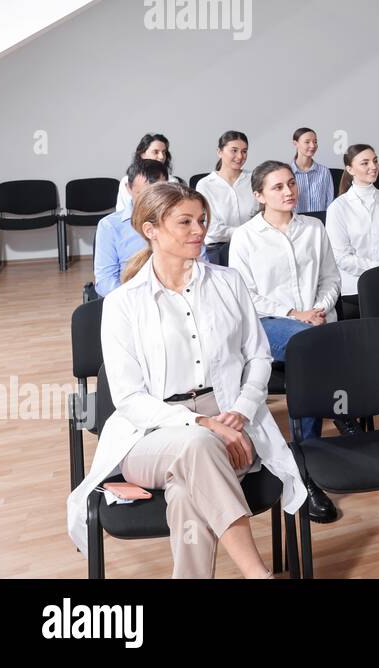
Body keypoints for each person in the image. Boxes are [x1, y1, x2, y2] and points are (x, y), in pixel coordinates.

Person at [66, 182, 307, 578]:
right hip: (149, 435)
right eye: (185, 222)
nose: (200, 230)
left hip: (229, 420)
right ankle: (257, 574)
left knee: (187, 491)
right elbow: (128, 397)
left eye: (202, 220)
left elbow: (259, 357)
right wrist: (202, 424)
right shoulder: (122, 304)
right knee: (197, 443)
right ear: (151, 229)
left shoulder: (229, 283)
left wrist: (242, 412)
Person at [227, 160, 343, 522]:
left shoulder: (314, 228)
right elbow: (245, 295)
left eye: (291, 184)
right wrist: (296, 314)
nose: (289, 191)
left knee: (319, 344)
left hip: (316, 320)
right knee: (308, 348)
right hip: (269, 323)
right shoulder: (245, 237)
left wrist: (318, 308)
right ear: (259, 195)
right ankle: (306, 467)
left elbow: (331, 278)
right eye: (277, 187)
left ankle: (320, 438)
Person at [325, 144, 379, 313]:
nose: (373, 167)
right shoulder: (338, 208)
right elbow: (341, 258)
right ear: (350, 169)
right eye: (365, 163)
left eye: (375, 161)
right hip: (355, 288)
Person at [94, 159, 169, 297]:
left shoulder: (180, 220)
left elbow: (198, 265)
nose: (151, 201)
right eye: (143, 193)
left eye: (158, 193)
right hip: (130, 299)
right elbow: (105, 281)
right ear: (129, 188)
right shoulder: (110, 226)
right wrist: (133, 301)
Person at [197, 131, 252, 264]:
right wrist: (250, 232)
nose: (240, 156)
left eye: (244, 151)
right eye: (234, 150)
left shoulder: (254, 179)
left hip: (251, 247)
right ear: (219, 152)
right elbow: (212, 229)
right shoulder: (205, 185)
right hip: (218, 251)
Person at [115, 133, 176, 212]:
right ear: (142, 154)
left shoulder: (172, 181)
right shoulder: (127, 180)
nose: (161, 157)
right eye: (155, 152)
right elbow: (122, 211)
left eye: (164, 152)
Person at [291, 127, 334, 215]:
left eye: (315, 142)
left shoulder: (324, 171)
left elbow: (330, 201)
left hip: (321, 223)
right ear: (296, 143)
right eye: (307, 142)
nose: (313, 145)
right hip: (295, 223)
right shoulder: (287, 172)